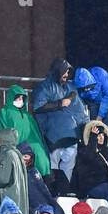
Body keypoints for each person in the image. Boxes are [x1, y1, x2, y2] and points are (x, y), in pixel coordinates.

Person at [31, 58, 88, 191]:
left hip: (71, 135)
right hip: (52, 136)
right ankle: (51, 190)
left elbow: (79, 110)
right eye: (64, 72)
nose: (66, 75)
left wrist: (85, 126)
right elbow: (37, 106)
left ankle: (63, 191)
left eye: (68, 72)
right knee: (53, 166)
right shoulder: (45, 86)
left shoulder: (70, 88)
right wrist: (59, 104)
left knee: (68, 166)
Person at [0, 85, 50, 177]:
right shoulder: (4, 112)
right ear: (12, 97)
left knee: (41, 157)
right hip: (12, 144)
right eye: (18, 97)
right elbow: (0, 130)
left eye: (22, 98)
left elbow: (34, 133)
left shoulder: (27, 115)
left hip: (28, 143)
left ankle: (45, 179)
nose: (20, 100)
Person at [74, 120, 108, 203]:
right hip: (90, 187)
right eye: (98, 135)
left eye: (102, 135)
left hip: (107, 185)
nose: (101, 137)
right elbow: (90, 156)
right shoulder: (84, 151)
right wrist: (93, 139)